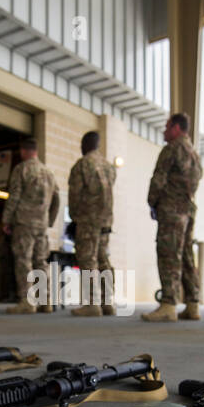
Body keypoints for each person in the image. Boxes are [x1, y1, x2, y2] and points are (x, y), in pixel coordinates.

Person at [143, 113, 203, 322]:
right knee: (186, 255)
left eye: (167, 127)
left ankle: (169, 304)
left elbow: (159, 178)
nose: (164, 131)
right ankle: (193, 304)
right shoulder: (193, 152)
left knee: (169, 254)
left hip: (172, 209)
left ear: (177, 128)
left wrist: (152, 201)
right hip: (188, 209)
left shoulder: (172, 149)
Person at [2, 137, 60, 314]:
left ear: (23, 151)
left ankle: (28, 302)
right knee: (41, 261)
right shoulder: (48, 172)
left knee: (23, 260)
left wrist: (6, 219)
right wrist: (49, 220)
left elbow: (15, 196)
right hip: (41, 225)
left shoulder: (22, 169)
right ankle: (45, 301)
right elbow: (57, 199)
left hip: (24, 223)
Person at [68, 131, 117, 317]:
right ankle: (107, 302)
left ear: (84, 145)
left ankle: (91, 304)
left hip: (88, 219)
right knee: (103, 259)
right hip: (106, 220)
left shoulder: (82, 165)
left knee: (88, 260)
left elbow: (75, 195)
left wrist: (74, 217)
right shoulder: (108, 166)